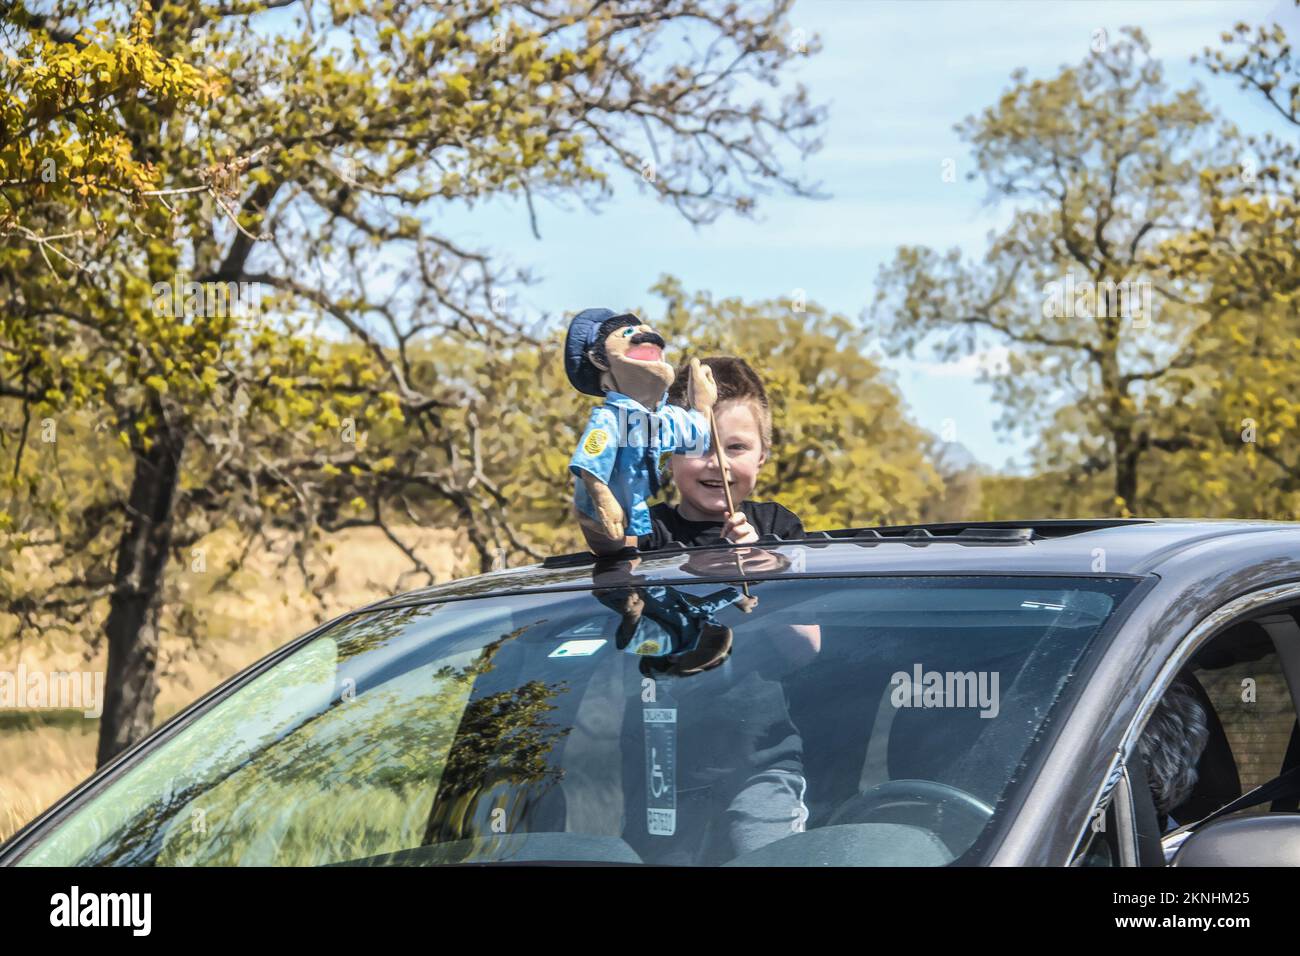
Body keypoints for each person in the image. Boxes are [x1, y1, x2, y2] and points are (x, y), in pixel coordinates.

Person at [636, 356, 803, 551]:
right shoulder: (646, 530)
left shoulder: (780, 527)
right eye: (700, 445)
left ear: (762, 456)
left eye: (736, 447)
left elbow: (795, 579)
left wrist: (761, 561)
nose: (718, 463)